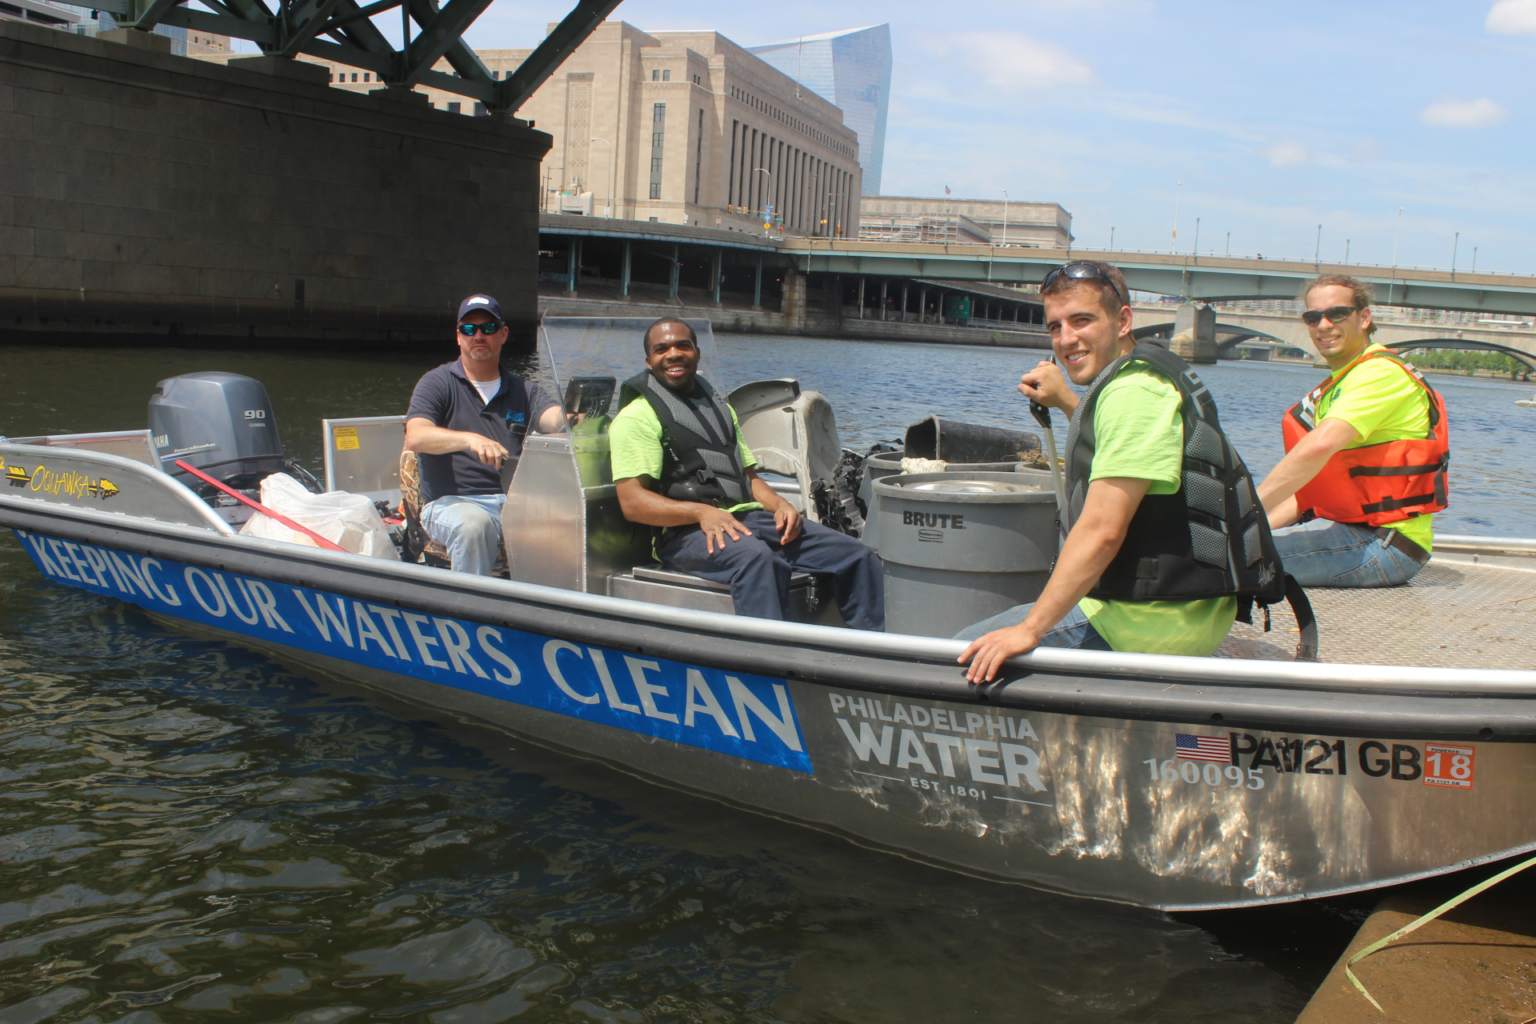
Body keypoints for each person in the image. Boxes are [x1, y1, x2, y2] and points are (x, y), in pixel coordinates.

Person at [957, 262, 1284, 683]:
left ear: (1123, 320)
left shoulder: (1133, 394)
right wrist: (1067, 401)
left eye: (1082, 321)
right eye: (1055, 326)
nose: (1066, 339)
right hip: (1184, 611)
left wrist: (1030, 630)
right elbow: (1120, 445)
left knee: (956, 653)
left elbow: (1102, 531)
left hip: (1144, 625)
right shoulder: (1146, 374)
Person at [610, 317, 885, 630]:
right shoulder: (636, 418)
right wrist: (701, 513)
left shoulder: (720, 410)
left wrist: (781, 505)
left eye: (683, 346)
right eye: (662, 349)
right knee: (758, 560)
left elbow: (748, 478)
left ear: (697, 354)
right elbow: (632, 503)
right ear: (649, 361)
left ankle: (875, 647)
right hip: (684, 534)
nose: (673, 354)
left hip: (748, 519)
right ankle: (767, 653)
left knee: (855, 554)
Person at [1256, 275, 1448, 587]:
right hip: (1352, 532)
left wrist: (1239, 515)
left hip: (1384, 545)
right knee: (1219, 548)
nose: (1324, 325)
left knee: (1219, 560)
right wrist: (1248, 528)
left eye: (1337, 313)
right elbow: (1307, 495)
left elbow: (1318, 447)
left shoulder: (1380, 373)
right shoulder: (1341, 383)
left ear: (1364, 317)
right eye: (1313, 317)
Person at [404, 294, 565, 575]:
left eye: (488, 328)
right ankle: (469, 602)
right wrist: (469, 439)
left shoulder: (524, 390)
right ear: (458, 337)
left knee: (571, 520)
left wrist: (575, 415)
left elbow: (553, 419)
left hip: (514, 503)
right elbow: (416, 436)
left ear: (503, 334)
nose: (478, 335)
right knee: (473, 525)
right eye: (469, 329)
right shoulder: (437, 382)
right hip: (450, 503)